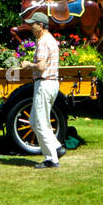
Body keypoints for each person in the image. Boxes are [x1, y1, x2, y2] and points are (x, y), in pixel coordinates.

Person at [20, 13, 66, 169]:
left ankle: (51, 159)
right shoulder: (52, 40)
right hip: (52, 84)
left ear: (40, 25)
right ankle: (57, 147)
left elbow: (40, 67)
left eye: (33, 24)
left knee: (40, 123)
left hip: (44, 83)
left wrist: (27, 64)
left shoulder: (43, 42)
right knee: (34, 120)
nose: (30, 26)